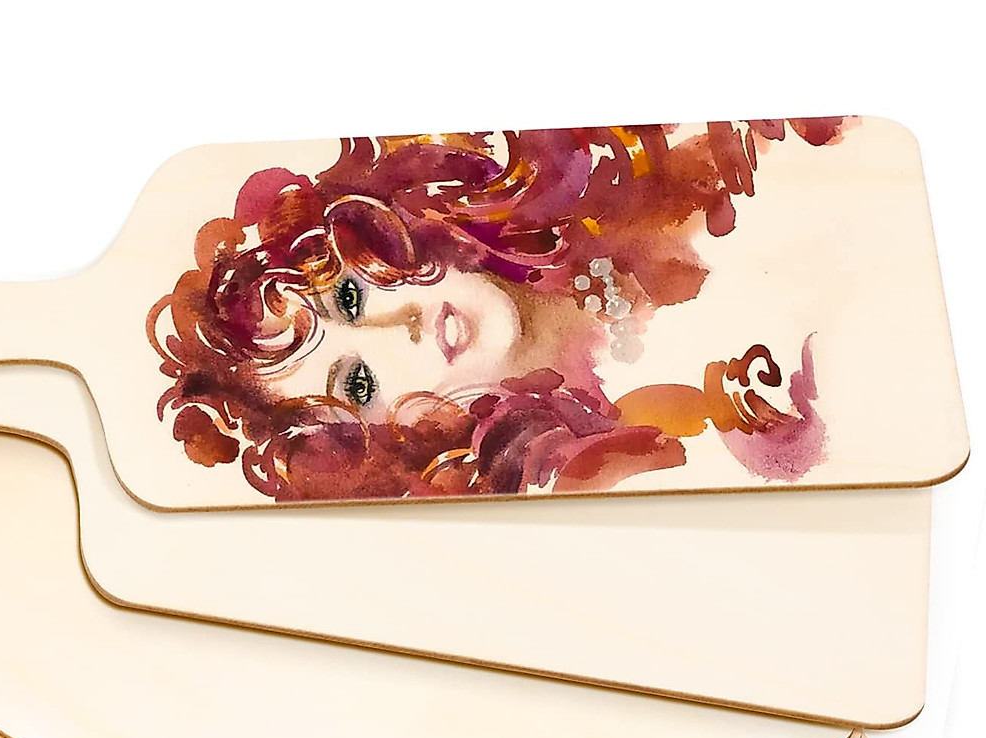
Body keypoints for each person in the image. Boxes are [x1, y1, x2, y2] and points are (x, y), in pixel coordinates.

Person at [148, 121, 845, 501]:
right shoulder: (593, 465)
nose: (400, 331)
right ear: (394, 443)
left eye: (351, 297)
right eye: (359, 383)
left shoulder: (594, 164)